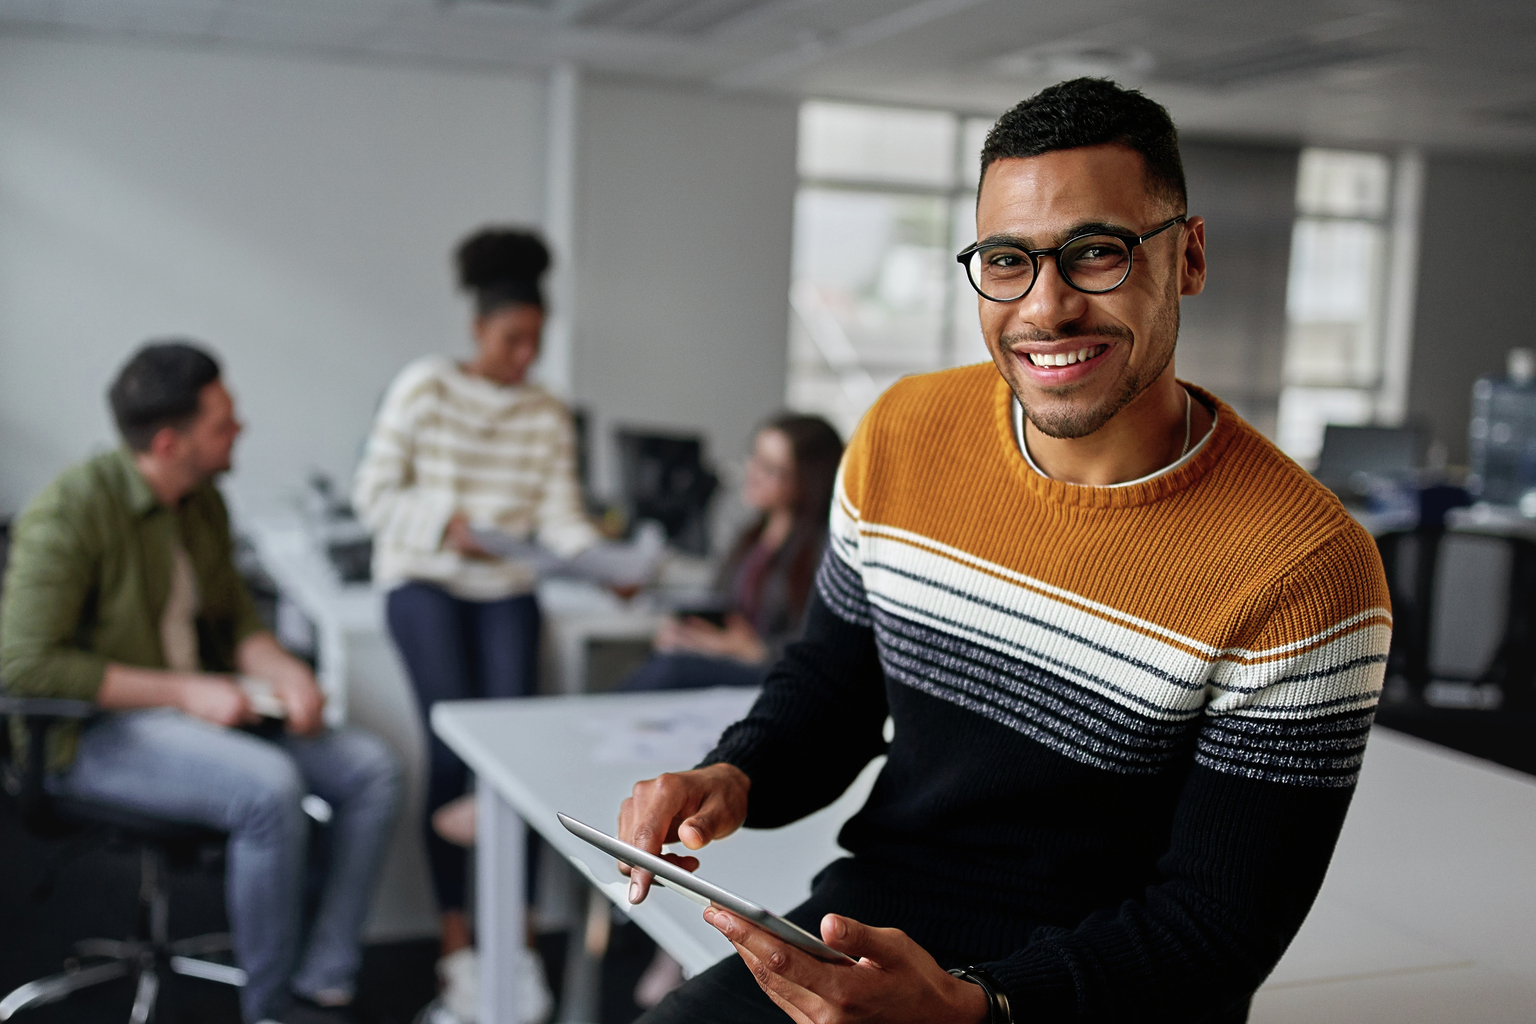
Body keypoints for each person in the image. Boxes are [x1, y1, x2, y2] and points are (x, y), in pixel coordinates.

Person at [614, 78, 1391, 1024]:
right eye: (1007, 260)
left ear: (1186, 256)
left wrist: (979, 1009)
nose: (1047, 306)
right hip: (876, 932)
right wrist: (734, 774)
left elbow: (1216, 925)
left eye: (1096, 252)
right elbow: (834, 682)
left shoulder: (1308, 570)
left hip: (1108, 996)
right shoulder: (903, 431)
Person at [0, 341, 401, 1024]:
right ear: (167, 440)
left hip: (209, 710)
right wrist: (184, 692)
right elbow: (23, 666)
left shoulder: (203, 502)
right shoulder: (71, 511)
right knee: (269, 790)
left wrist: (286, 673)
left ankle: (322, 978)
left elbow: (239, 618)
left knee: (370, 769)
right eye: (223, 422)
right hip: (95, 734)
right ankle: (270, 1011)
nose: (239, 429)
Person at [351, 227, 601, 1016]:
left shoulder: (546, 412)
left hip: (505, 590)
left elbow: (560, 519)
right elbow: (374, 493)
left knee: (514, 765)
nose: (525, 355)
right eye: (511, 339)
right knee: (453, 752)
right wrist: (444, 521)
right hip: (425, 581)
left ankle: (519, 940)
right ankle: (456, 946)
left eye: (535, 341)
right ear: (477, 329)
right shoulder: (425, 387)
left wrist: (605, 562)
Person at [624, 414, 843, 692]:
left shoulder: (823, 549)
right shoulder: (751, 537)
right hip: (735, 658)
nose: (753, 473)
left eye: (770, 468)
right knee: (667, 656)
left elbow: (823, 643)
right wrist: (693, 633)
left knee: (672, 669)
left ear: (808, 479)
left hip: (777, 672)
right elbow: (721, 604)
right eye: (754, 458)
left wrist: (756, 649)